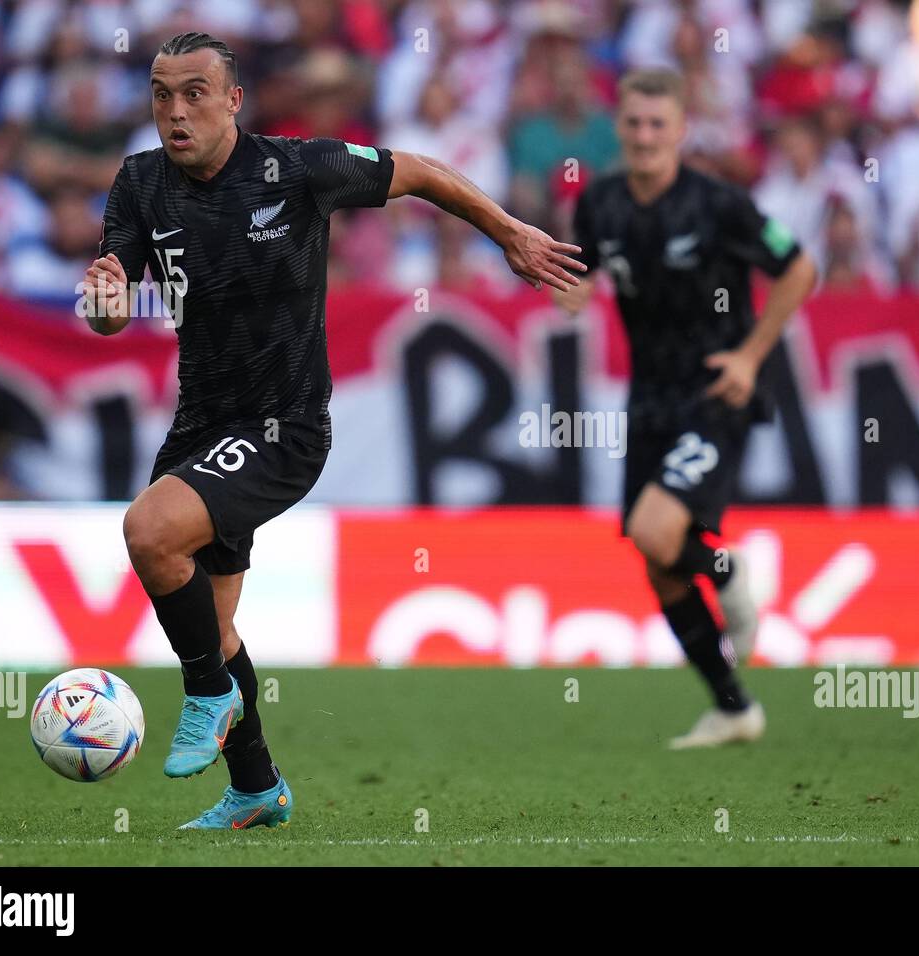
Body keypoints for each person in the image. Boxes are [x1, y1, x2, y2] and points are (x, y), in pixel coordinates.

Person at [83, 32, 584, 828]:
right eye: (161, 95)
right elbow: (112, 307)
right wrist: (106, 301)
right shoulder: (141, 183)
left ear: (234, 101)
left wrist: (510, 234)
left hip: (284, 428)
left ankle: (207, 695)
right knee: (211, 625)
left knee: (149, 532)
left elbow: (416, 170)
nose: (175, 111)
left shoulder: (297, 169)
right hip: (200, 427)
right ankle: (256, 787)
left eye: (194, 93)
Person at [553, 69, 817, 749]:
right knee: (661, 562)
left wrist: (752, 356)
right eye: (634, 123)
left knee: (653, 528)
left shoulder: (719, 204)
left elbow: (799, 268)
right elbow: (580, 279)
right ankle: (733, 706)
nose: (644, 136)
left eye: (657, 124)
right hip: (647, 401)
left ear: (680, 131)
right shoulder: (601, 205)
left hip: (715, 390)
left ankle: (729, 572)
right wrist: (564, 288)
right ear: (620, 127)